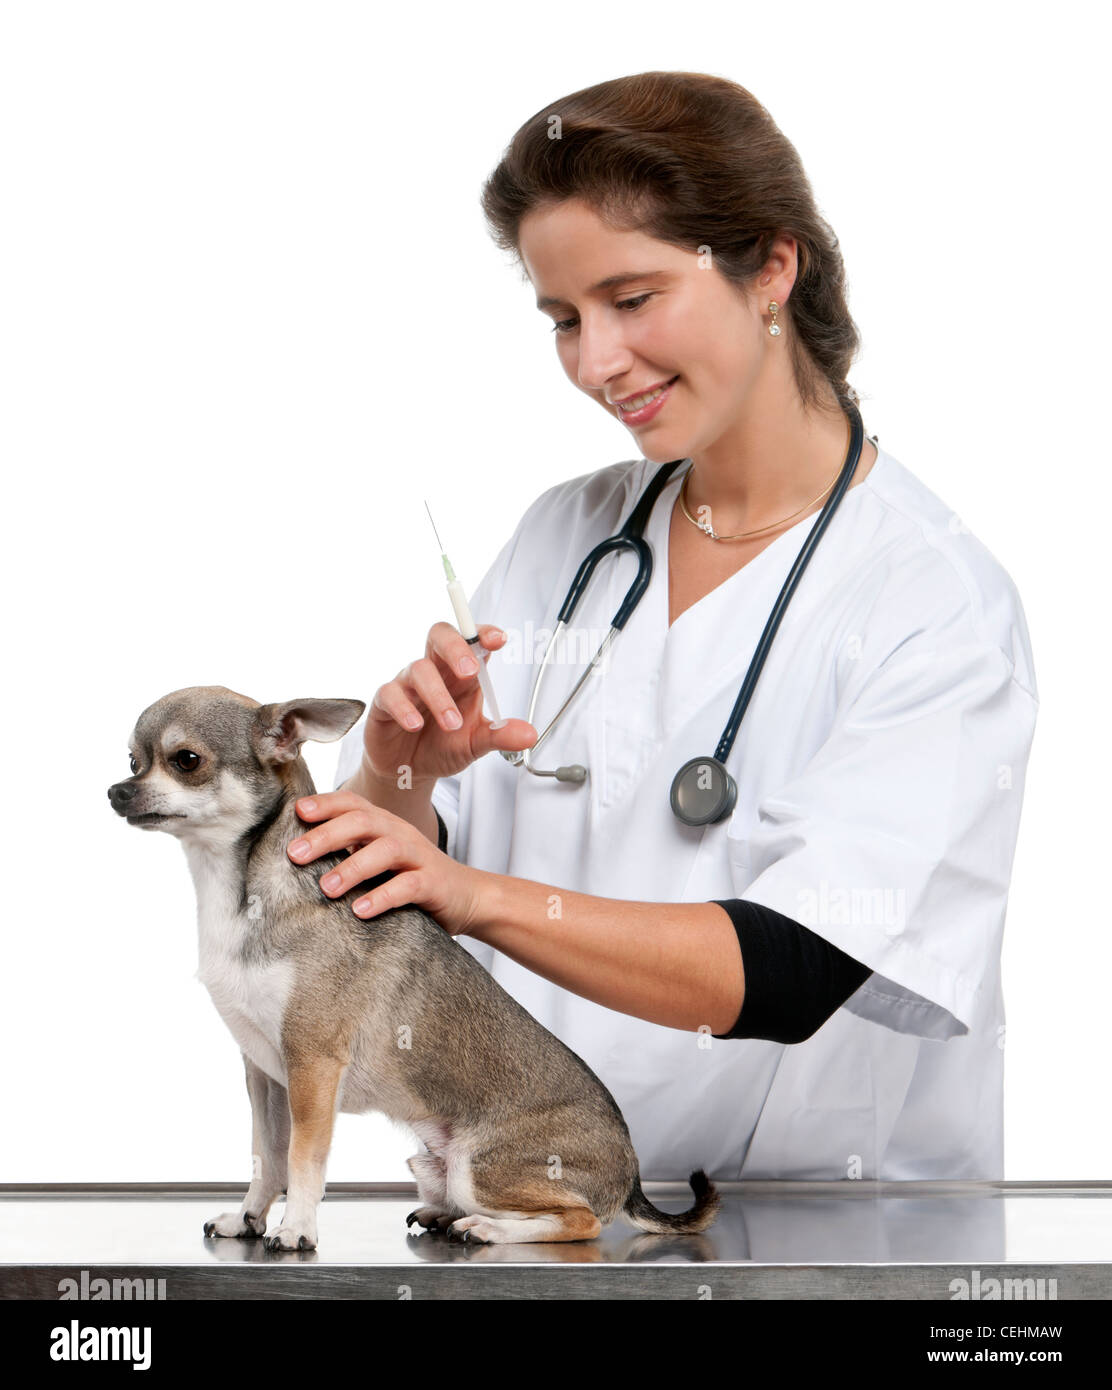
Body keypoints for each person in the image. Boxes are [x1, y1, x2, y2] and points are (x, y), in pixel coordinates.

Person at [286, 71, 1038, 1181]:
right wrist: (402, 779)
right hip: (542, 1217)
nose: (595, 363)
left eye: (631, 299)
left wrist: (479, 897)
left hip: (820, 1245)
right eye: (562, 320)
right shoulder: (564, 541)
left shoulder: (930, 604)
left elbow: (790, 968)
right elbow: (378, 898)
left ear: (770, 266)